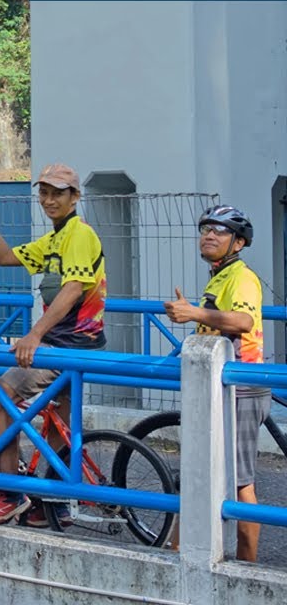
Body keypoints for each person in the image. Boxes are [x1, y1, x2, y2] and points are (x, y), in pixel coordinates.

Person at [0, 163, 106, 526]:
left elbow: (74, 288)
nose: (49, 200)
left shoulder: (79, 234)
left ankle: (9, 491)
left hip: (69, 345)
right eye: (43, 192)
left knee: (1, 394)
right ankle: (53, 503)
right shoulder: (57, 237)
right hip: (70, 343)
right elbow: (6, 257)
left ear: (75, 197)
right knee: (59, 420)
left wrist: (35, 334)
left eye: (58, 193)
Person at [163, 204, 266, 562]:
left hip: (241, 386)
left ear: (238, 243)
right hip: (218, 385)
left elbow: (242, 321)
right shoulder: (220, 275)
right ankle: (180, 550)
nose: (209, 234)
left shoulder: (242, 277)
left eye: (221, 231)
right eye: (206, 228)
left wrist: (193, 312)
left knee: (239, 482)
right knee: (202, 472)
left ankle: (248, 568)